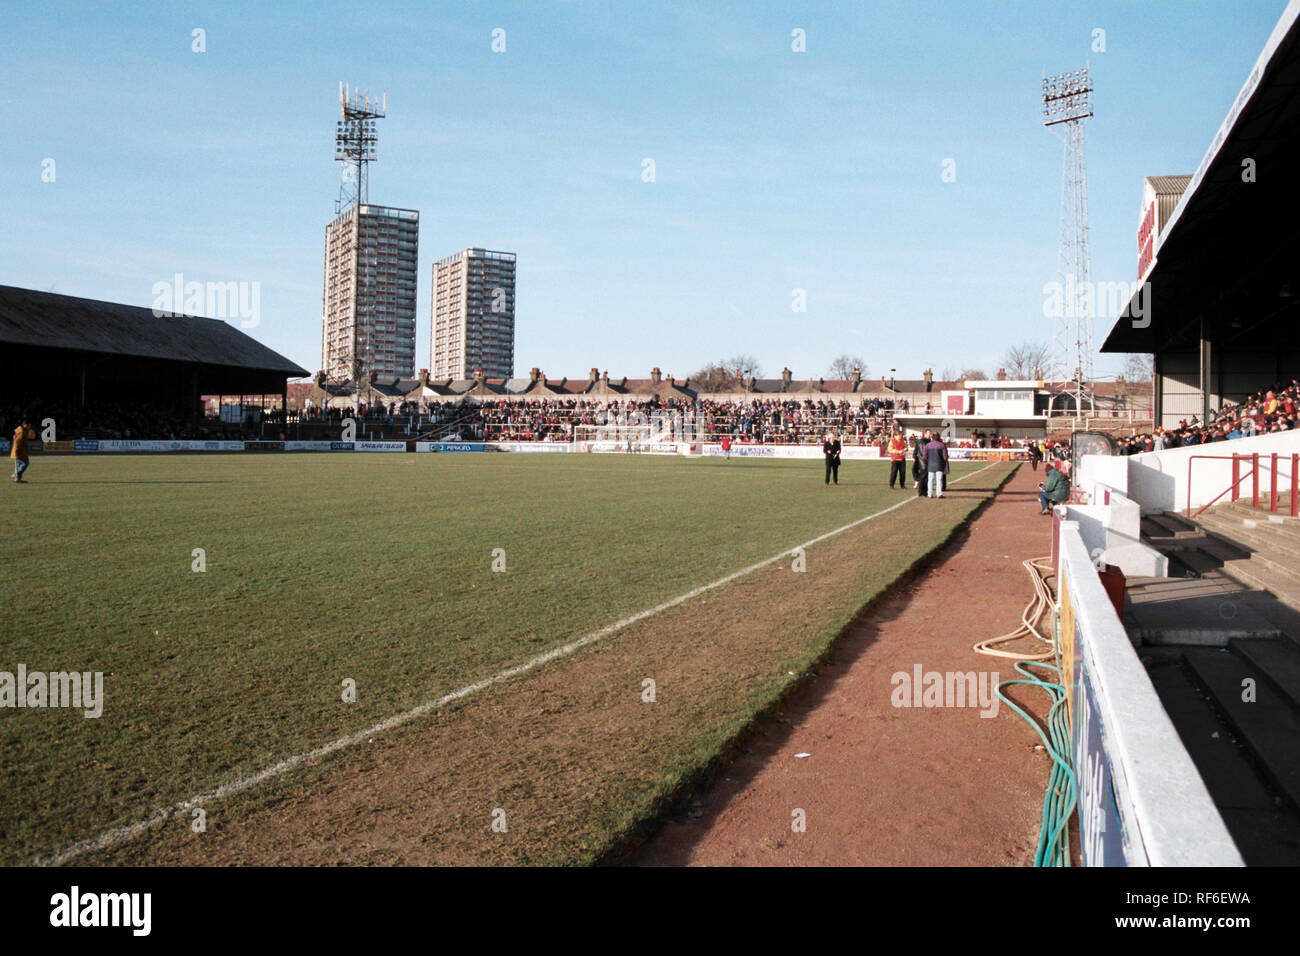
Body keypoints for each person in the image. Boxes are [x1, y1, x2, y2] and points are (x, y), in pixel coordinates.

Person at [924, 430, 949, 498]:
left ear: (932, 437)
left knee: (930, 480)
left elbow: (925, 456)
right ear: (939, 437)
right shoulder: (942, 445)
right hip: (939, 465)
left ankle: (929, 494)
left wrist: (929, 461)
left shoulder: (927, 445)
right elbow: (945, 457)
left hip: (930, 465)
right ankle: (939, 494)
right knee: (939, 480)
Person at [10, 416, 33, 483]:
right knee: (25, 463)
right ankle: (15, 474)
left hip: (21, 451)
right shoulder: (21, 432)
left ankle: (18, 479)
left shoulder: (24, 430)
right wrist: (16, 451)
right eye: (29, 425)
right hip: (19, 451)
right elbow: (17, 442)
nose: (30, 427)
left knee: (18, 465)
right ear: (25, 425)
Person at [912, 431, 928, 497]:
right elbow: (918, 451)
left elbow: (915, 450)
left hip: (923, 461)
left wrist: (914, 456)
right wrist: (914, 457)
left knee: (924, 477)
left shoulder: (925, 441)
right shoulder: (922, 442)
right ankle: (922, 492)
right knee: (923, 477)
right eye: (929, 433)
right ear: (925, 434)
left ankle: (923, 492)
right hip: (923, 461)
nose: (930, 435)